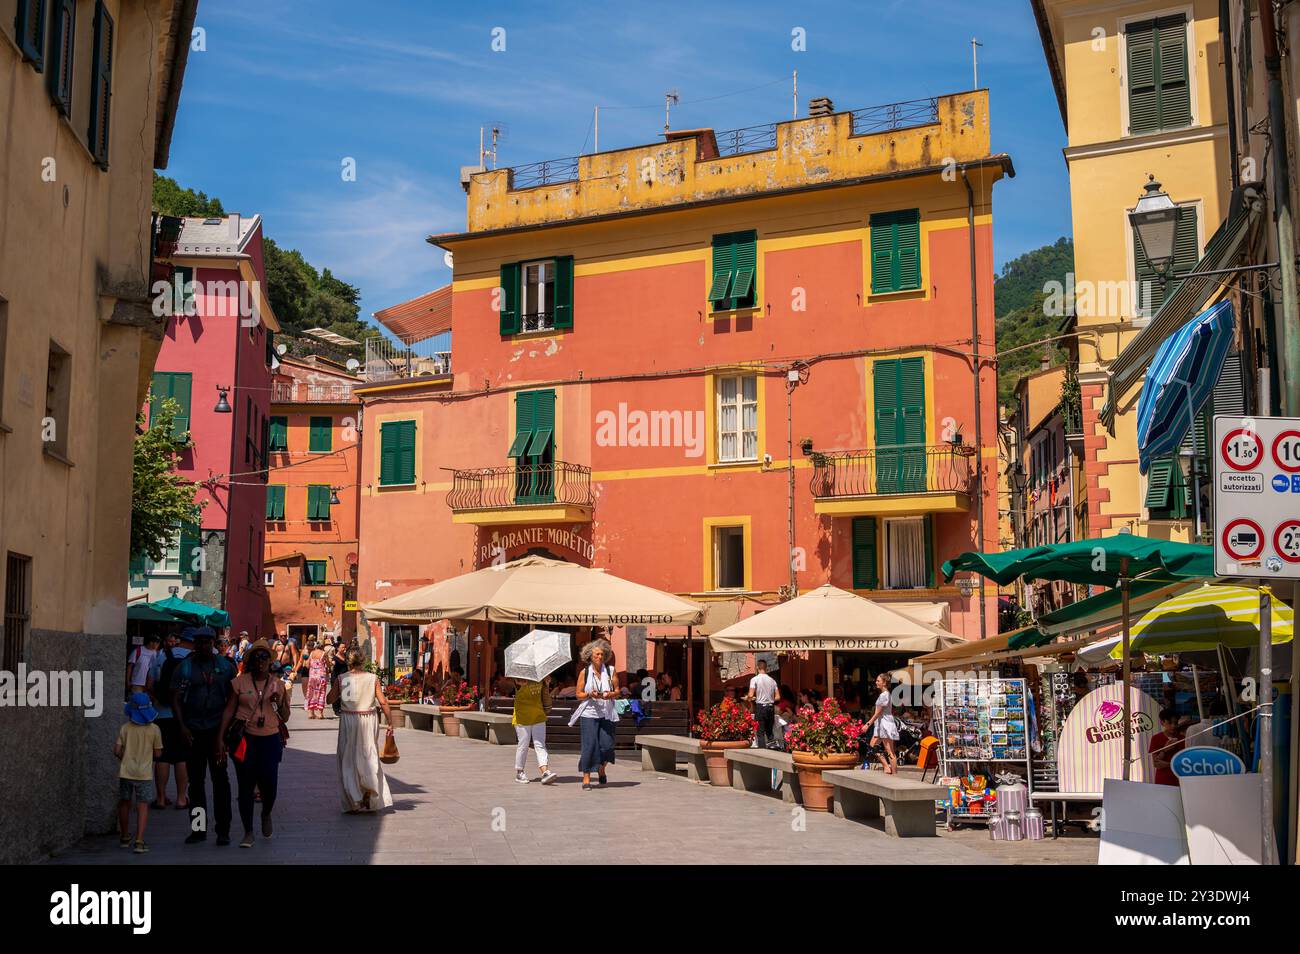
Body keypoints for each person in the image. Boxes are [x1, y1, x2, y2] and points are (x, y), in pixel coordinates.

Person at [218, 640, 291, 848]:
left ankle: (266, 812)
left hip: (270, 738)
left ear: (270, 661)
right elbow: (229, 711)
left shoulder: (278, 684)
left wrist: (278, 701)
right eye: (257, 657)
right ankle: (248, 831)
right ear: (250, 660)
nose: (261, 661)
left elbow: (284, 717)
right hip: (245, 738)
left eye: (264, 658)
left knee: (270, 784)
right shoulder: (239, 683)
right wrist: (220, 738)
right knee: (245, 785)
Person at [172, 629, 237, 846]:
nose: (203, 646)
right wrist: (182, 727)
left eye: (207, 642)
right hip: (193, 733)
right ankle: (198, 829)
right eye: (199, 642)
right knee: (196, 784)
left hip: (217, 732)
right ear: (194, 644)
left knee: (221, 782)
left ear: (214, 643)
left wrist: (224, 734)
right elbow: (176, 700)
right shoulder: (185, 668)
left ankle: (223, 830)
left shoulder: (226, 668)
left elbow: (232, 700)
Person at [328, 648, 394, 813]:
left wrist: (335, 684)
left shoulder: (342, 678)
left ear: (349, 662)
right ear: (363, 660)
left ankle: (353, 799)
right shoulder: (372, 678)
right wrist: (390, 722)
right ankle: (370, 792)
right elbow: (383, 702)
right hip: (367, 718)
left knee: (348, 758)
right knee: (368, 754)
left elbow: (330, 699)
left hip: (349, 719)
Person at [147, 631, 190, 809]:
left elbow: (149, 684)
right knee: (181, 757)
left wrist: (156, 701)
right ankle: (181, 798)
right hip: (183, 716)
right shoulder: (189, 656)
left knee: (162, 757)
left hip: (162, 714)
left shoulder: (160, 656)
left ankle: (161, 798)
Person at [116, 692, 163, 854]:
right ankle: (139, 840)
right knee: (142, 806)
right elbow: (158, 754)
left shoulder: (125, 728)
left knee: (125, 802)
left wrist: (125, 757)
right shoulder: (155, 730)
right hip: (144, 774)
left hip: (126, 771)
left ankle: (124, 836)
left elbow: (116, 750)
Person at [571, 639, 619, 790]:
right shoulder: (584, 673)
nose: (600, 656)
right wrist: (589, 694)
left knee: (607, 746)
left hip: (606, 712)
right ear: (590, 656)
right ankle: (586, 778)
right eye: (597, 654)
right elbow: (578, 694)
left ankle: (601, 768)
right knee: (589, 745)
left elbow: (617, 691)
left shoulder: (611, 671)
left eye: (602, 654)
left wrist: (609, 694)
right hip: (589, 713)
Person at [512, 676, 557, 785]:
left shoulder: (540, 677)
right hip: (522, 716)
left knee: (540, 744)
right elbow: (517, 684)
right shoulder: (519, 679)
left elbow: (544, 694)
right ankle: (519, 772)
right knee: (523, 744)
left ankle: (545, 772)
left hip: (538, 715)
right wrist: (520, 682)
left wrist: (546, 683)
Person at [864, 673, 899, 774]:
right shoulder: (884, 695)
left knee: (890, 752)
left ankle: (895, 775)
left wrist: (867, 724)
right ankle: (886, 767)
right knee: (873, 745)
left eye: (878, 681)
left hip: (885, 724)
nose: (876, 682)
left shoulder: (885, 695)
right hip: (881, 724)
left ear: (884, 683)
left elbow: (878, 713)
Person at [746, 659, 779, 749]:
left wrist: (748, 698)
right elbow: (778, 697)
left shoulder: (754, 679)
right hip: (771, 707)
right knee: (769, 731)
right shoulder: (772, 680)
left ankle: (762, 752)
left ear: (757, 668)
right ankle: (773, 751)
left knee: (760, 732)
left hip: (761, 707)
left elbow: (750, 695)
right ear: (766, 668)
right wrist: (768, 698)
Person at [1149, 708, 1185, 786]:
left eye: (1175, 723)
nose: (1173, 726)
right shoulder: (1156, 738)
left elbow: (1184, 763)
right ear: (1162, 723)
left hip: (1180, 779)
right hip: (1163, 780)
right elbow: (1156, 764)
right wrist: (1165, 750)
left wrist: (1167, 764)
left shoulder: (1183, 738)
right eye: (1169, 723)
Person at [304, 640, 329, 719]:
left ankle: (311, 713)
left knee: (311, 693)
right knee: (321, 693)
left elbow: (307, 665)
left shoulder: (311, 653)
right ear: (322, 646)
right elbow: (328, 664)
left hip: (312, 676)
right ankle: (320, 714)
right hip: (321, 676)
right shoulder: (324, 653)